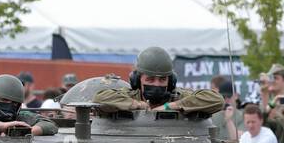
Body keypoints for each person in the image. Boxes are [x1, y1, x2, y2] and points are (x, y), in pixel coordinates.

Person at [93, 47, 223, 115]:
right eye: (150, 79)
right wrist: (137, 104)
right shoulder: (130, 95)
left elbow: (217, 100)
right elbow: (100, 98)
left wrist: (169, 106)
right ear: (137, 80)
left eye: (162, 79)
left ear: (171, 81)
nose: (157, 84)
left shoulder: (178, 96)